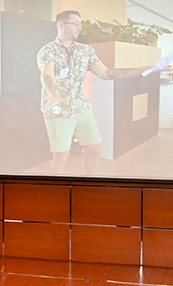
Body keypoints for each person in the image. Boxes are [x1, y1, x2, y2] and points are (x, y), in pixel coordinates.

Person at [37, 10, 121, 174]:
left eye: (80, 24)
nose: (80, 28)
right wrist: (53, 95)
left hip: (81, 107)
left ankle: (93, 181)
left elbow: (105, 73)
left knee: (94, 147)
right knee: (61, 155)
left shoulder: (86, 51)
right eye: (76, 24)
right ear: (62, 25)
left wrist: (136, 72)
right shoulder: (48, 51)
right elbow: (47, 74)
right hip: (59, 110)